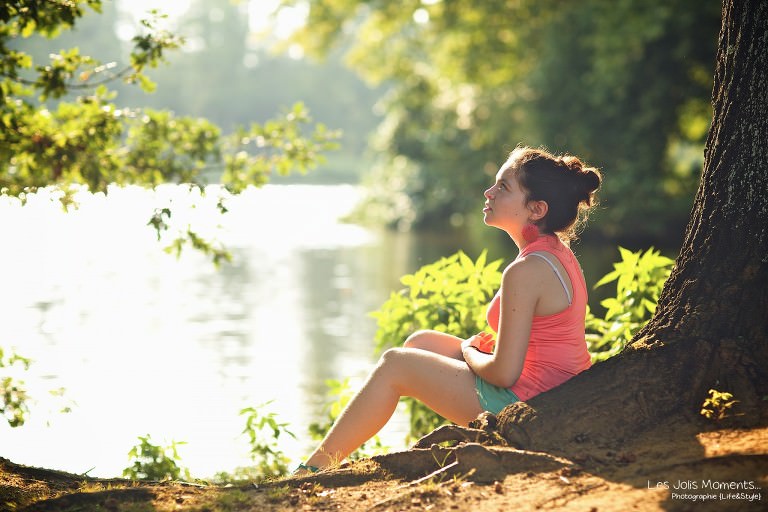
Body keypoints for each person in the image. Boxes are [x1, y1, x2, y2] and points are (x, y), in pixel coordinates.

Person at [295, 146, 602, 474]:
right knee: (419, 343)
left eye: (504, 187)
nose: (489, 192)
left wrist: (470, 350)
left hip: (533, 404)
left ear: (536, 209)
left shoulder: (526, 271)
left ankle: (312, 470)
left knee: (395, 365)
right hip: (550, 388)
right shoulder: (556, 252)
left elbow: (503, 373)